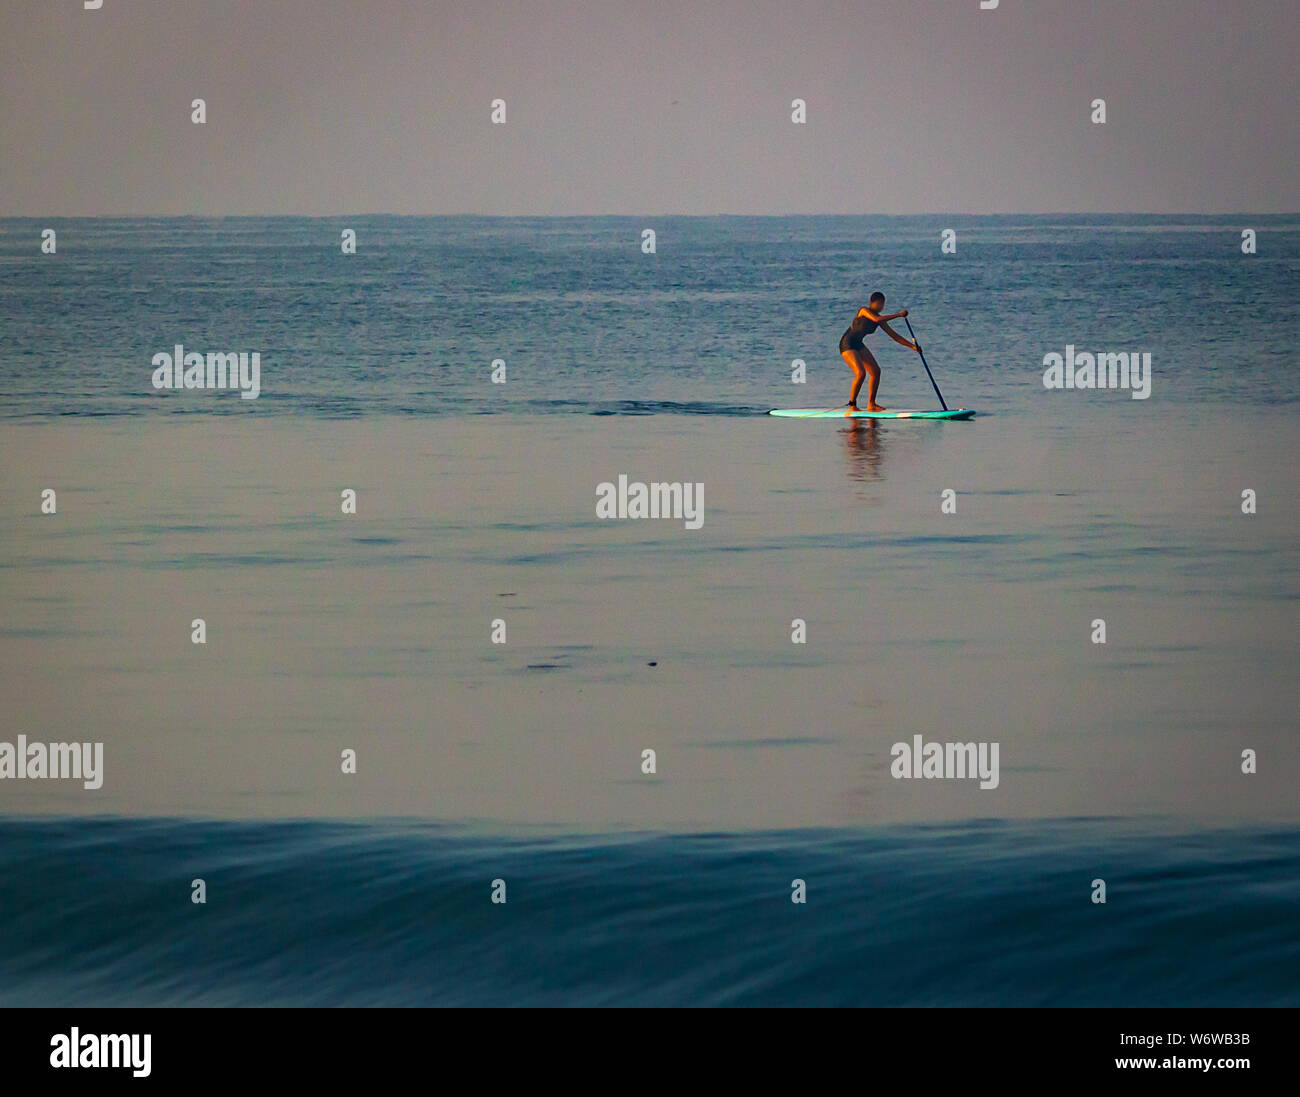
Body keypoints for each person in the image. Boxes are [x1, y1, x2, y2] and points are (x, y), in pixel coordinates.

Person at [839, 292, 921, 410]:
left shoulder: (881, 320)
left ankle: (871, 404)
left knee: (876, 371)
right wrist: (898, 315)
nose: (881, 306)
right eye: (880, 303)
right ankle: (852, 405)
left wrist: (913, 347)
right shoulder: (864, 311)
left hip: (858, 344)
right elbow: (876, 319)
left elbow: (895, 336)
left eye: (883, 304)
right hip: (847, 343)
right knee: (861, 373)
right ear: (872, 303)